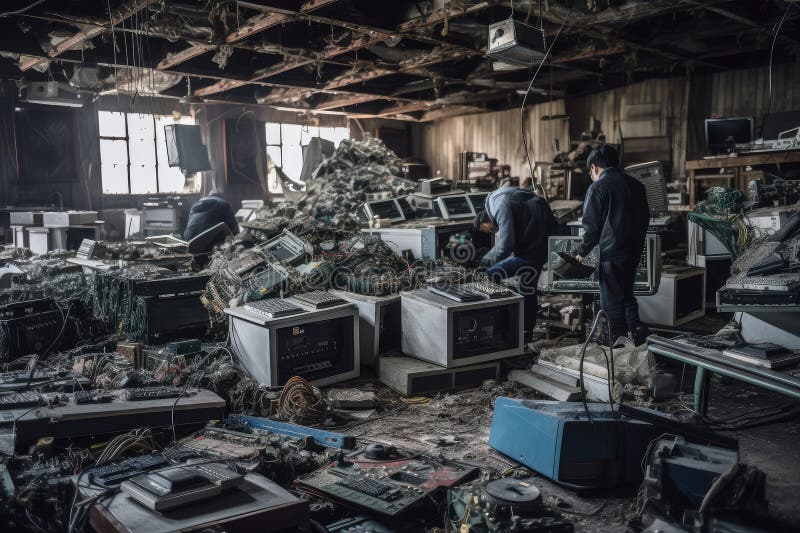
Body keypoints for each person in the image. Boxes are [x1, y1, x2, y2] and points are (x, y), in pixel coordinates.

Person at [575, 145, 650, 345]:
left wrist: (581, 253)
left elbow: (591, 229)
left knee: (612, 305)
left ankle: (616, 351)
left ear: (594, 167)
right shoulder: (637, 185)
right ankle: (639, 342)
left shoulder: (598, 187)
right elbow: (645, 218)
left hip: (612, 253)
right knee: (627, 296)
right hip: (634, 250)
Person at [473, 186, 558, 340]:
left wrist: (485, 262)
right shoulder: (502, 197)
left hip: (532, 248)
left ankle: (500, 330)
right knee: (527, 289)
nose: (489, 231)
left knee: (488, 276)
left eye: (485, 229)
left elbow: (506, 244)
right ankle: (525, 334)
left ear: (484, 222)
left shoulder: (497, 205)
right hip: (541, 245)